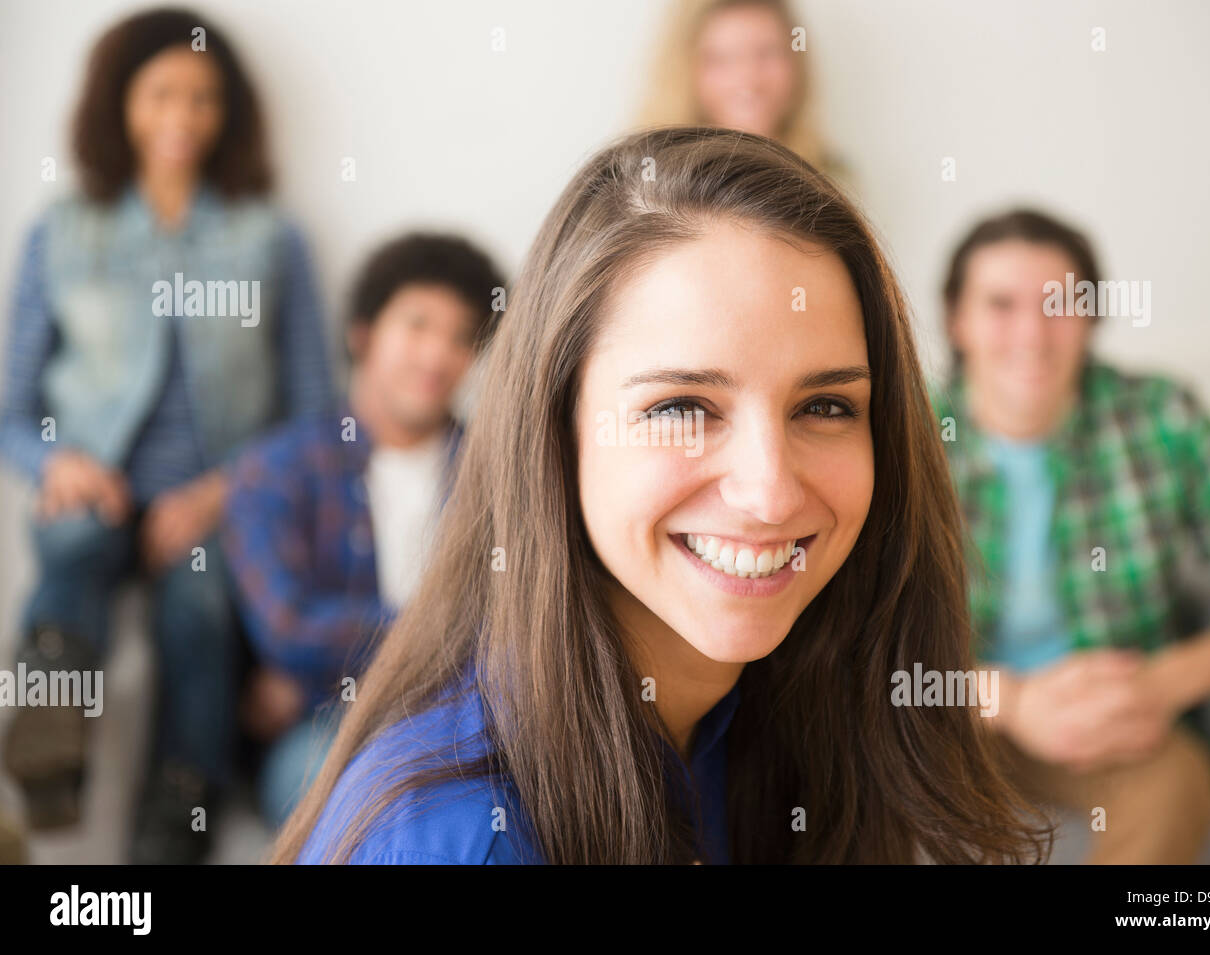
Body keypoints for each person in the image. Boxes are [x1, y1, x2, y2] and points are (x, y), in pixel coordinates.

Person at [272, 126, 1049, 865]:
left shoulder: (760, 719)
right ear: (555, 427)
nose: (770, 492)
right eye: (682, 407)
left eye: (824, 406)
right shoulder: (465, 836)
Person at [0, 7, 334, 863]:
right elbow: (12, 406)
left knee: (198, 604)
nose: (183, 118)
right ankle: (47, 736)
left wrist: (221, 492)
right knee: (73, 543)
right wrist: (56, 459)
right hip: (95, 485)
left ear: (229, 113)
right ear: (121, 104)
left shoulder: (269, 236)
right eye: (162, 96)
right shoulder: (64, 230)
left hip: (215, 493)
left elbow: (312, 410)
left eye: (203, 98)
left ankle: (176, 815)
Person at [932, 208, 1210, 863]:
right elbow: (848, 640)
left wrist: (1163, 682)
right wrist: (1012, 701)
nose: (1031, 333)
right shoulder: (903, 435)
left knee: (1175, 780)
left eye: (1059, 305)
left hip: (1119, 722)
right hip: (951, 719)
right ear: (957, 319)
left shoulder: (1162, 416)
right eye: (1000, 304)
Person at [221, 232, 505, 829]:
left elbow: (518, 620)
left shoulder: (500, 471)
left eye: (460, 338)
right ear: (363, 334)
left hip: (472, 717)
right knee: (347, 795)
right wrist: (444, 631)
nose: (437, 356)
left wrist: (320, 671)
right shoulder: (279, 466)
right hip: (325, 728)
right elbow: (288, 628)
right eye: (418, 326)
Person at [637, 0, 852, 186]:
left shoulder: (833, 177)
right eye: (722, 58)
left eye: (768, 53)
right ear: (683, 72)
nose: (749, 78)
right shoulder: (645, 179)